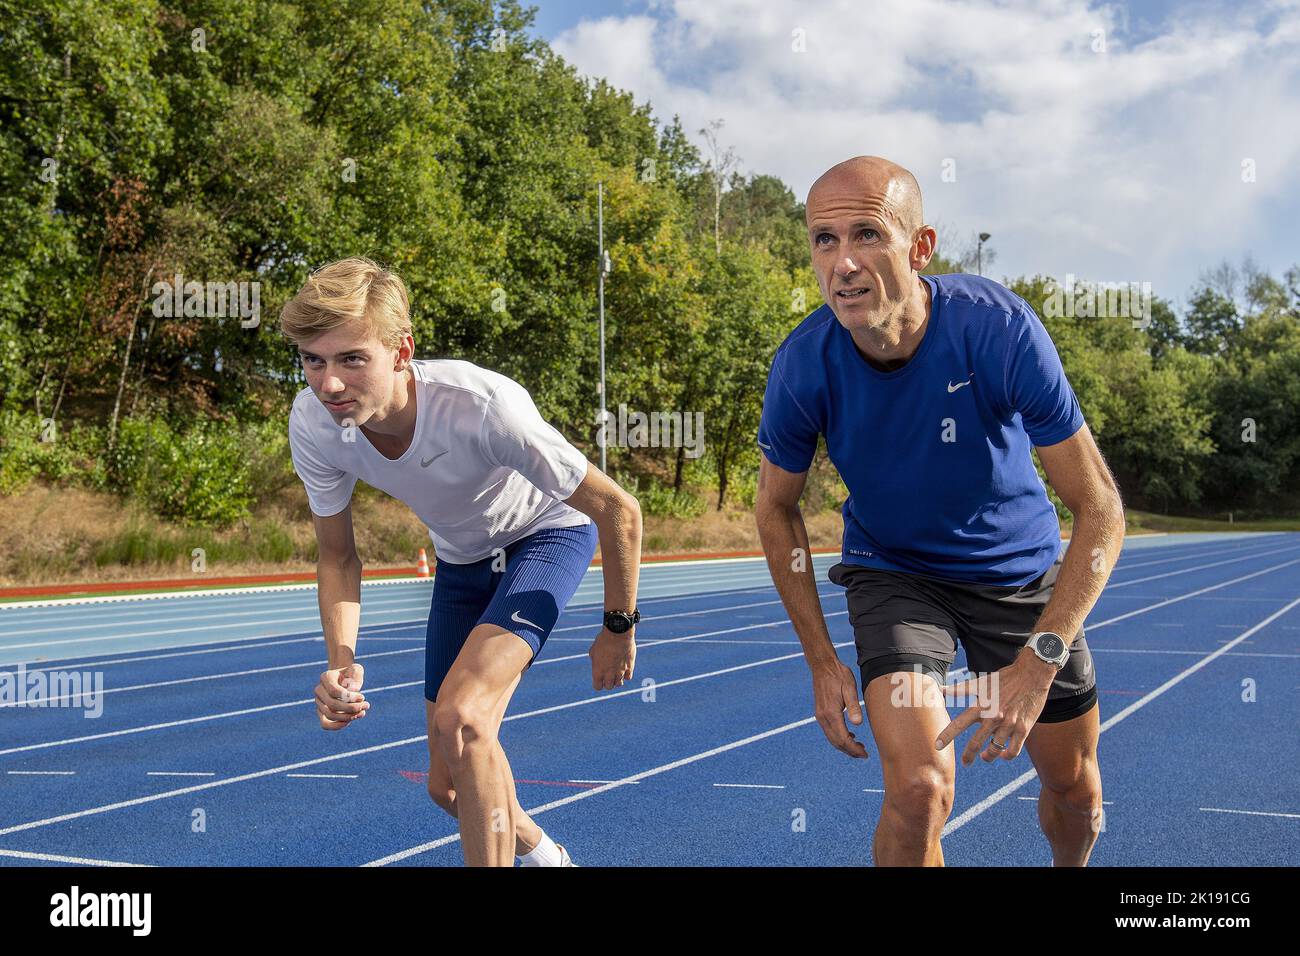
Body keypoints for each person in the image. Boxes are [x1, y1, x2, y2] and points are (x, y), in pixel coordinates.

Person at [754, 156, 1126, 866]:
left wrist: (1040, 659)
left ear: (920, 247)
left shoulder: (1000, 330)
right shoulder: (804, 363)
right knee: (921, 787)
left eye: (867, 234)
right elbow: (776, 509)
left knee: (1074, 788)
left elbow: (1099, 508)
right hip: (895, 572)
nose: (843, 263)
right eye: (823, 240)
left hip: (1018, 575)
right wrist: (822, 661)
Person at [280, 257, 642, 867]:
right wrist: (341, 664)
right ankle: (550, 860)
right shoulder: (315, 424)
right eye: (313, 360)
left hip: (546, 535)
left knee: (466, 715)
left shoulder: (481, 406)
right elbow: (338, 556)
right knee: (447, 786)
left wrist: (618, 626)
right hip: (461, 561)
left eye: (351, 359)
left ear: (401, 351)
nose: (330, 384)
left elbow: (618, 509)